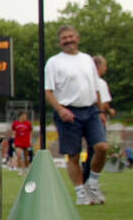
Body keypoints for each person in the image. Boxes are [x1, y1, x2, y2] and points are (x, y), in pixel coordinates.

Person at [45, 26, 107, 204]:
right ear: (59, 42)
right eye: (64, 38)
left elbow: (96, 88)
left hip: (91, 109)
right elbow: (48, 92)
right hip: (68, 111)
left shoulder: (87, 59)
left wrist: (101, 110)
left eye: (71, 36)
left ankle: (93, 184)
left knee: (102, 147)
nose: (68, 40)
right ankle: (81, 193)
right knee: (73, 154)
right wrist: (60, 110)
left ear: (77, 38)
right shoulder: (54, 62)